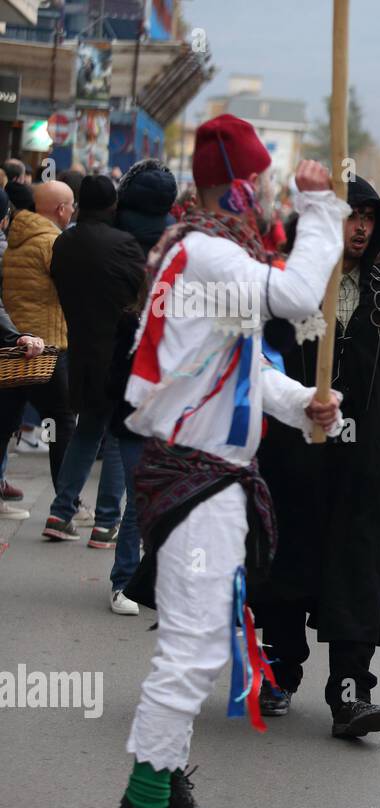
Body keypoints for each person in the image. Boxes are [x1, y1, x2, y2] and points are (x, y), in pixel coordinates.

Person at [104, 115, 347, 808]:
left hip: (207, 476)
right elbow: (303, 293)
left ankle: (164, 782)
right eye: (266, 183)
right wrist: (321, 207)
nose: (271, 196)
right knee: (193, 649)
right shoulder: (208, 255)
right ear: (238, 186)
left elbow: (241, 370)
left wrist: (302, 400)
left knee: (198, 641)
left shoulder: (206, 254)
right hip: (194, 476)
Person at [254, 176, 380, 737]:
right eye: (349, 215)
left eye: (368, 217)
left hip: (370, 461)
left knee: (360, 567)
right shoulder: (287, 290)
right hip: (295, 453)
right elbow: (263, 364)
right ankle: (278, 671)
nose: (359, 227)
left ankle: (350, 691)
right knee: (289, 561)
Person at [40, 175, 145, 556]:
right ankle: (105, 523)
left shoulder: (64, 242)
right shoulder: (125, 244)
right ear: (114, 205)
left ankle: (60, 511)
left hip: (80, 353)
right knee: (116, 438)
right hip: (118, 353)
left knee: (87, 432)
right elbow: (141, 288)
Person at [106, 159, 179, 615]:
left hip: (128, 385)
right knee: (152, 491)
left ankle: (131, 578)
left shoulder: (113, 238)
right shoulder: (180, 245)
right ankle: (130, 579)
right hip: (166, 387)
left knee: (138, 486)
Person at [0, 181, 76, 493]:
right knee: (61, 421)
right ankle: (64, 504)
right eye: (71, 205)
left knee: (4, 423)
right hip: (46, 348)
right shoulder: (53, 243)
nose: (73, 211)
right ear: (61, 209)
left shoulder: (15, 238)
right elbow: (72, 292)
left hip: (11, 346)